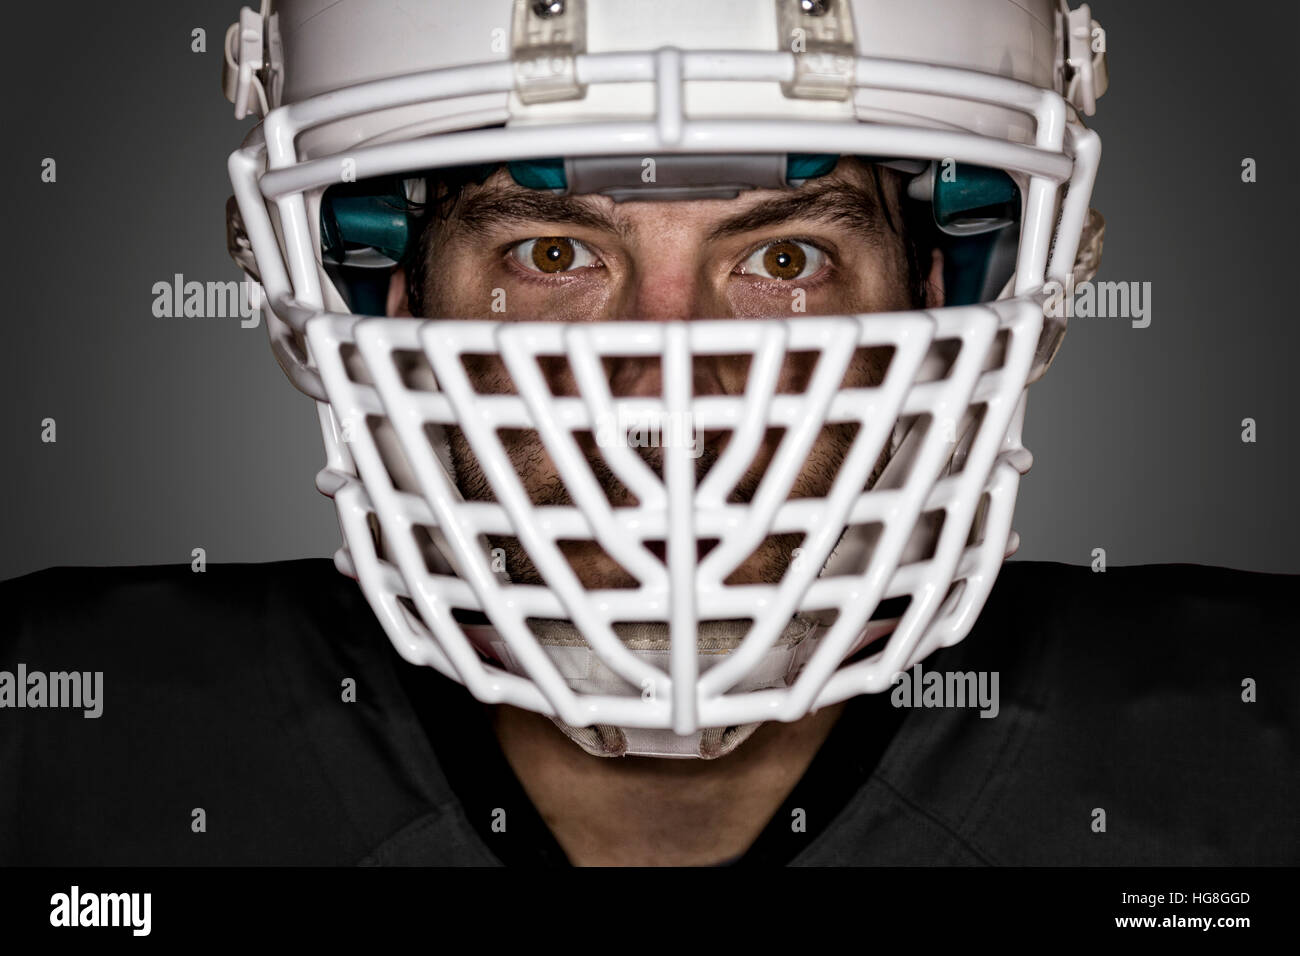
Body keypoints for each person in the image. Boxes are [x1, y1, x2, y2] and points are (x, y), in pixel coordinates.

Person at [2, 0, 1295, 867]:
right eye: (554, 252)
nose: (666, 379)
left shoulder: (1249, 763)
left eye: (784, 254)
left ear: (941, 292)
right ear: (388, 295)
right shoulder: (65, 761)